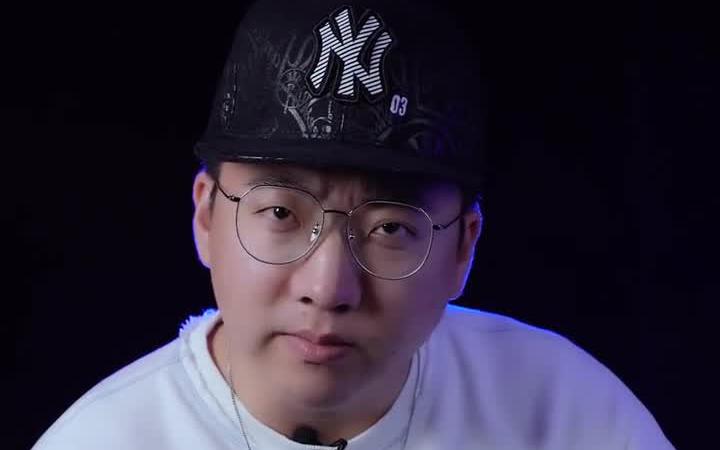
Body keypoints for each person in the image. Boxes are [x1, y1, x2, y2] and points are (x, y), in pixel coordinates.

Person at [33, 0, 675, 449]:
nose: (329, 288)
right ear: (206, 215)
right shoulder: (102, 439)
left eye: (391, 228)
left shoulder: (568, 416)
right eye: (281, 214)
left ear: (463, 248)